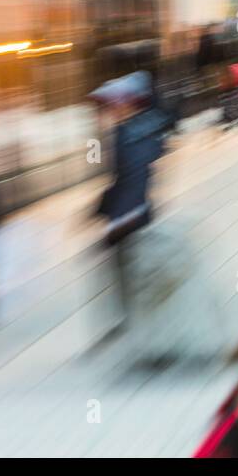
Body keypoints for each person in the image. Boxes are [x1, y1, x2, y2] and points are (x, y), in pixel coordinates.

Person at [91, 71, 171, 332]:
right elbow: (125, 178)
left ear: (126, 103)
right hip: (136, 213)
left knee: (131, 271)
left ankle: (137, 322)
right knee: (131, 271)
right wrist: (100, 209)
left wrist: (120, 219)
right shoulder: (141, 128)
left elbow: (132, 178)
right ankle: (136, 320)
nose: (107, 112)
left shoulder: (128, 133)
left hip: (131, 217)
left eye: (111, 105)